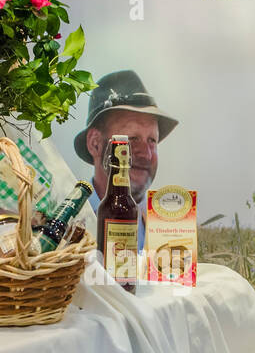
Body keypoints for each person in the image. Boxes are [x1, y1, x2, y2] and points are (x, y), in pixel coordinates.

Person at [73, 70, 179, 250]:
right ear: (95, 144)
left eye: (152, 140)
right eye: (132, 138)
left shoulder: (169, 232)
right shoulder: (66, 223)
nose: (146, 153)